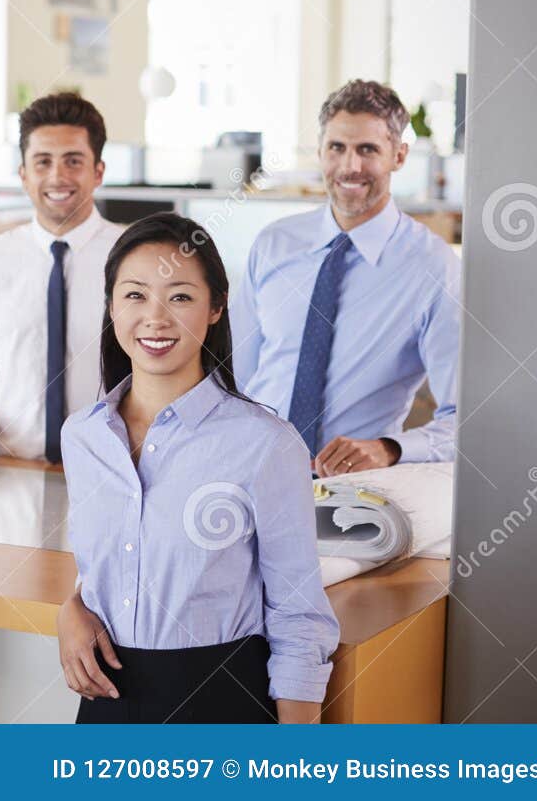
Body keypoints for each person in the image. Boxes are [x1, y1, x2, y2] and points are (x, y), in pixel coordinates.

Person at [57, 212, 339, 724]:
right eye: (135, 295)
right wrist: (73, 606)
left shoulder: (265, 443)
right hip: (106, 706)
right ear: (111, 306)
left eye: (180, 296)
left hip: (219, 702)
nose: (156, 318)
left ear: (216, 308)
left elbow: (299, 616)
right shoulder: (83, 437)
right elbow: (112, 561)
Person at [233, 80, 460, 475]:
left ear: (399, 156)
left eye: (367, 150)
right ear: (320, 151)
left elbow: (466, 421)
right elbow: (231, 380)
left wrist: (391, 448)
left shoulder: (432, 266)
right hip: (250, 474)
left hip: (350, 494)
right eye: (337, 148)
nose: (350, 167)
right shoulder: (274, 244)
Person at [0, 92, 125, 466]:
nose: (57, 176)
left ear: (98, 171)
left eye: (73, 161)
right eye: (43, 162)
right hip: (11, 465)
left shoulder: (133, 257)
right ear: (24, 174)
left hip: (111, 465)